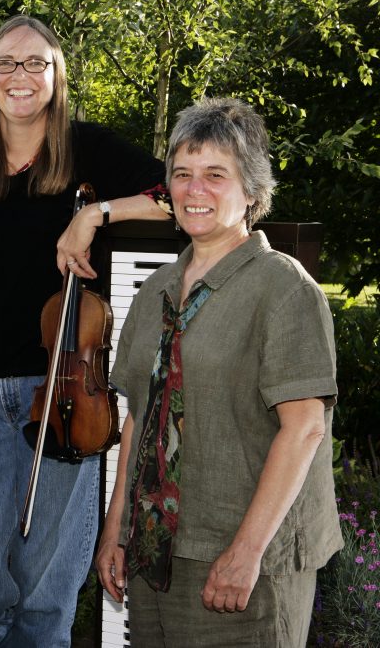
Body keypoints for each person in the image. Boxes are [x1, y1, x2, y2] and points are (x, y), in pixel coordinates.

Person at [0, 14, 171, 646]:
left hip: (67, 392)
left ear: (58, 76)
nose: (20, 76)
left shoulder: (90, 149)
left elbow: (181, 193)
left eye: (36, 63)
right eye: (5, 63)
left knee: (46, 600)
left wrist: (96, 212)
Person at [94, 98, 340, 646]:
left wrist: (245, 553)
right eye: (182, 174)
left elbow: (304, 429)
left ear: (251, 191)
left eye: (215, 175)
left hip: (242, 563)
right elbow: (139, 417)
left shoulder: (283, 289)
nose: (194, 190)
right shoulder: (155, 290)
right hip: (156, 554)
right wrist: (116, 531)